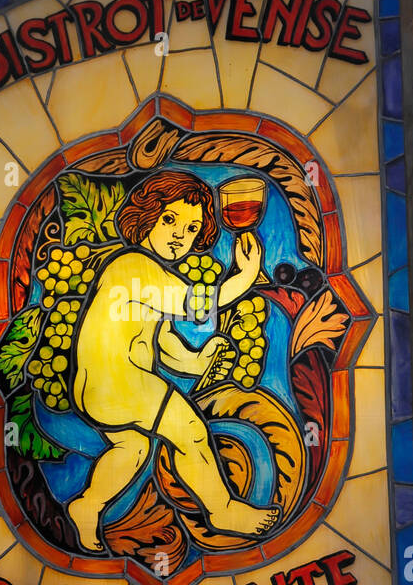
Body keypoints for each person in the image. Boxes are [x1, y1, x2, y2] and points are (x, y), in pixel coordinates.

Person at [67, 169, 279, 553]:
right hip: (121, 381)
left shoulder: (149, 274)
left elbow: (161, 340)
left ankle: (88, 505)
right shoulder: (133, 265)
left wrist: (195, 362)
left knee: (131, 449)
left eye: (193, 228)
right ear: (146, 216)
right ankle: (222, 509)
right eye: (170, 219)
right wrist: (244, 278)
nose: (181, 234)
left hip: (97, 389)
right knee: (192, 432)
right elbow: (196, 303)